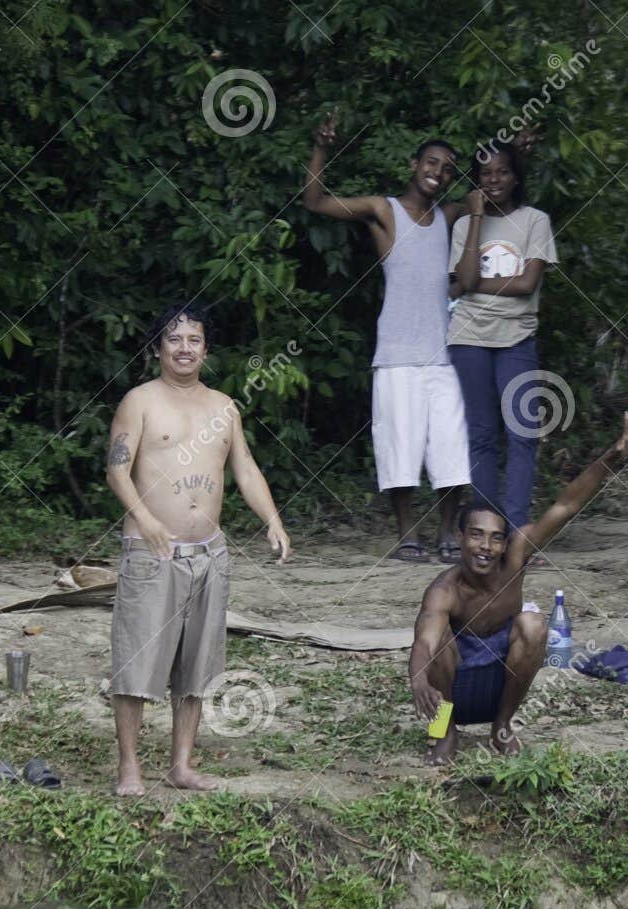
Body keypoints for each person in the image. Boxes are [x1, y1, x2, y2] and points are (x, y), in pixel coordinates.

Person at [106, 302, 292, 797]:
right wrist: (144, 519)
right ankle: (129, 769)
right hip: (152, 552)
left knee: (199, 664)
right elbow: (118, 469)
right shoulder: (140, 400)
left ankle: (181, 765)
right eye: (174, 339)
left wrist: (272, 519)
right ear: (157, 349)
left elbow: (246, 468)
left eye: (194, 340)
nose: (184, 348)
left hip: (209, 552)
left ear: (206, 351)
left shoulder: (224, 406)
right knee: (136, 660)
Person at [408, 413, 628, 764]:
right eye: (476, 535)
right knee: (440, 640)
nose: (485, 547)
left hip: (500, 678)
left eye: (495, 539)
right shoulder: (444, 589)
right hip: (455, 683)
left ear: (506, 545)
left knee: (533, 623)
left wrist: (612, 455)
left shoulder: (516, 556)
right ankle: (445, 731)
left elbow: (566, 506)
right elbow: (424, 641)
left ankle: (502, 726)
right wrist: (417, 679)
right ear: (460, 539)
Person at [303, 113, 473, 563]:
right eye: (432, 163)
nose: (439, 172)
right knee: (400, 447)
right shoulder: (385, 211)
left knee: (453, 449)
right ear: (414, 164)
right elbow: (316, 202)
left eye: (449, 168)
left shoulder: (450, 216)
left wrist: (517, 154)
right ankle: (407, 535)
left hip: (443, 356)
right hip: (397, 354)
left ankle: (448, 534)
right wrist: (322, 147)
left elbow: (494, 199)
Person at [448, 141, 558, 532]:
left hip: (516, 338)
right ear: (476, 180)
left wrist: (477, 283)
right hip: (468, 337)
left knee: (522, 435)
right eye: (485, 173)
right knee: (480, 436)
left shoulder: (535, 222)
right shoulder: (464, 225)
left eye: (502, 172)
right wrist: (476, 218)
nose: (493, 180)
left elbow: (528, 283)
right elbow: (462, 280)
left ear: (516, 177)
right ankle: (485, 531)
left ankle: (515, 531)